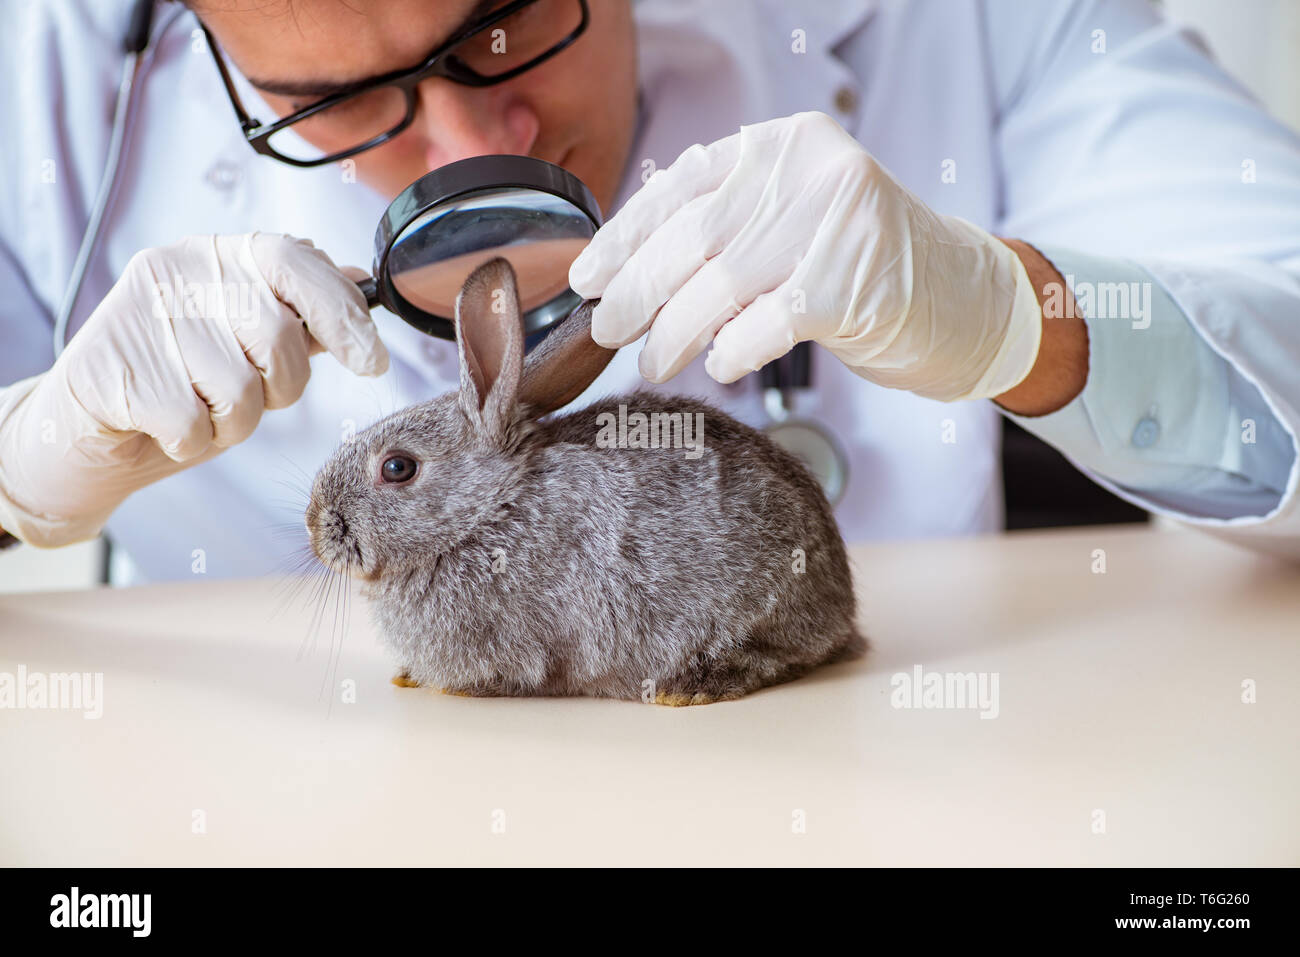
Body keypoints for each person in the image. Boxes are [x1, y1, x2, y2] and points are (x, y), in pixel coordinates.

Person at [1, 0, 1297, 584]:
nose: (470, 156)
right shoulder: (52, 79)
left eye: (503, 21)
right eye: (335, 101)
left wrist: (1016, 317)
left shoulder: (959, 16)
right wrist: (22, 470)